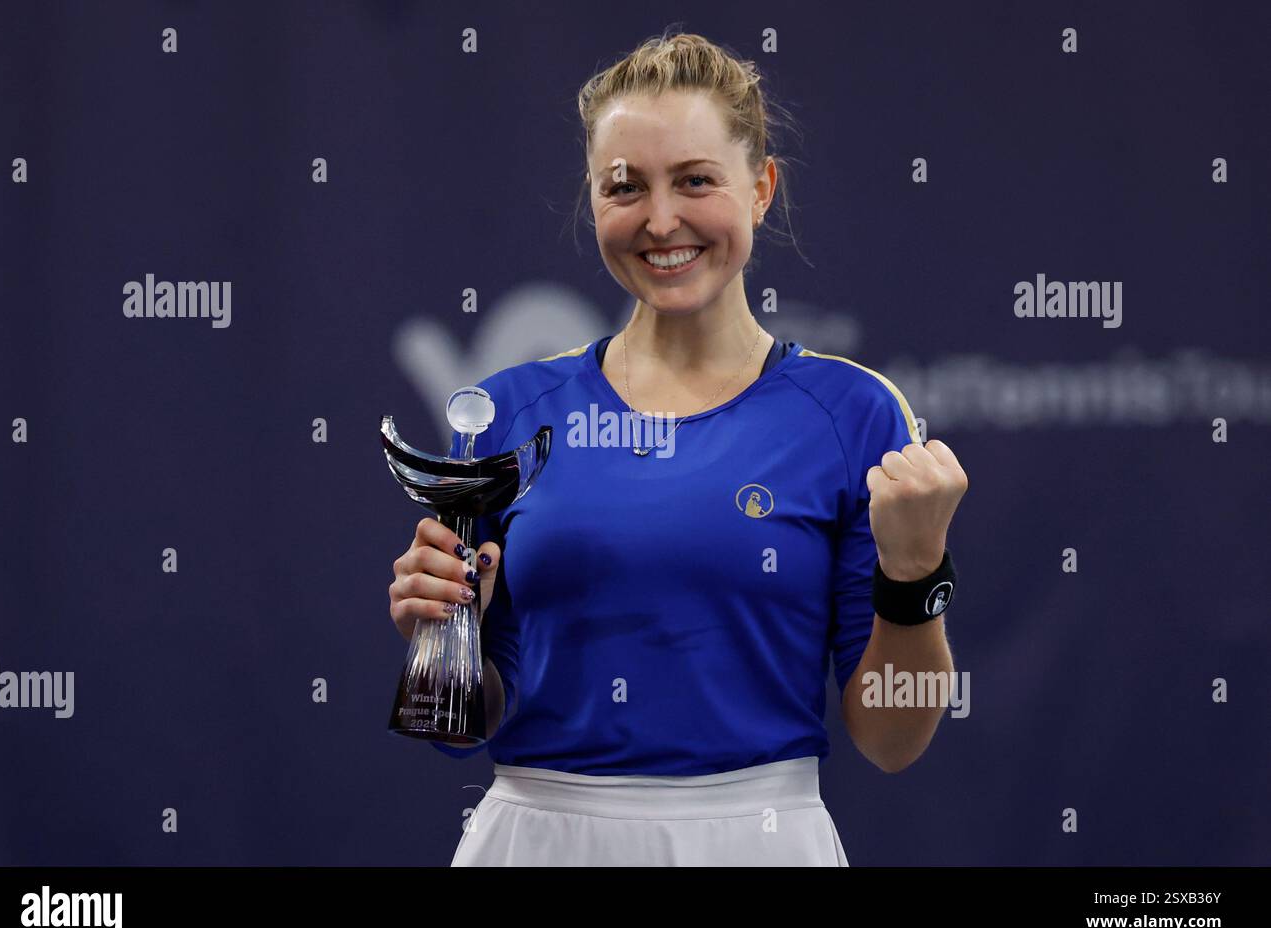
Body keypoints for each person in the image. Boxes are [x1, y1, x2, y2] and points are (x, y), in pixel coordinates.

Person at [388, 29, 969, 866]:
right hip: (534, 839)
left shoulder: (854, 413)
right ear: (593, 200)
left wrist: (916, 578)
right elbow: (460, 728)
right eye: (625, 187)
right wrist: (443, 638)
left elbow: (892, 738)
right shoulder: (508, 412)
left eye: (696, 180)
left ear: (762, 188)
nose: (662, 220)